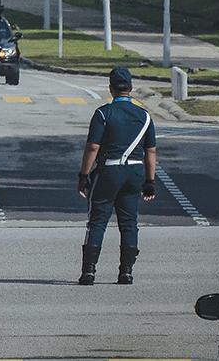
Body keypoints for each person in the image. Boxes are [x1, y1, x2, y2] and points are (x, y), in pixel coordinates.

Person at [76, 67, 157, 286]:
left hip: (109, 172)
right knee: (129, 223)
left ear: (111, 89)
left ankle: (89, 272)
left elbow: (93, 147)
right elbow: (151, 152)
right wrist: (150, 182)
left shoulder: (103, 113)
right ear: (130, 88)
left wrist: (84, 175)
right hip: (135, 173)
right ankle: (126, 272)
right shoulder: (145, 116)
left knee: (98, 222)